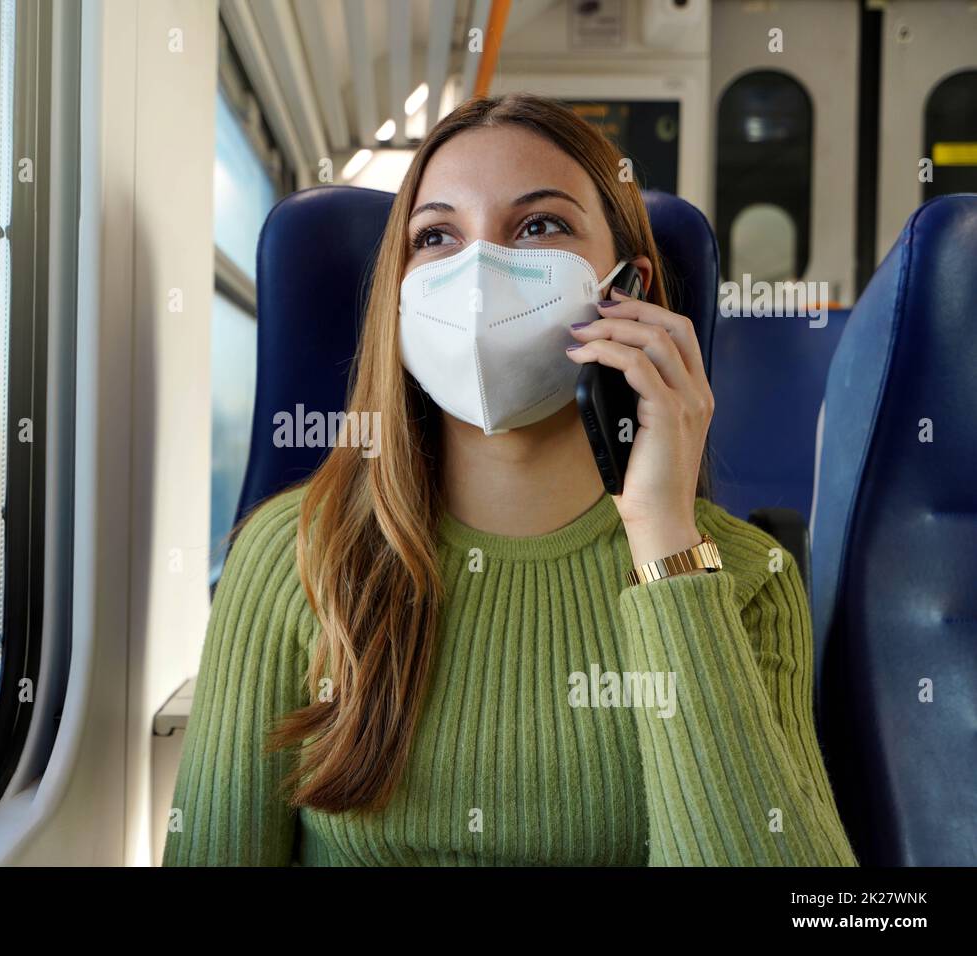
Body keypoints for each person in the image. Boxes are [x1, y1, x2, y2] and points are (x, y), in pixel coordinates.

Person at [164, 93, 858, 866]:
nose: (476, 275)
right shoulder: (290, 557)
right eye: (436, 236)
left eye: (539, 227)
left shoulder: (746, 576)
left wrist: (666, 547)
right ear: (398, 293)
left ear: (627, 288)